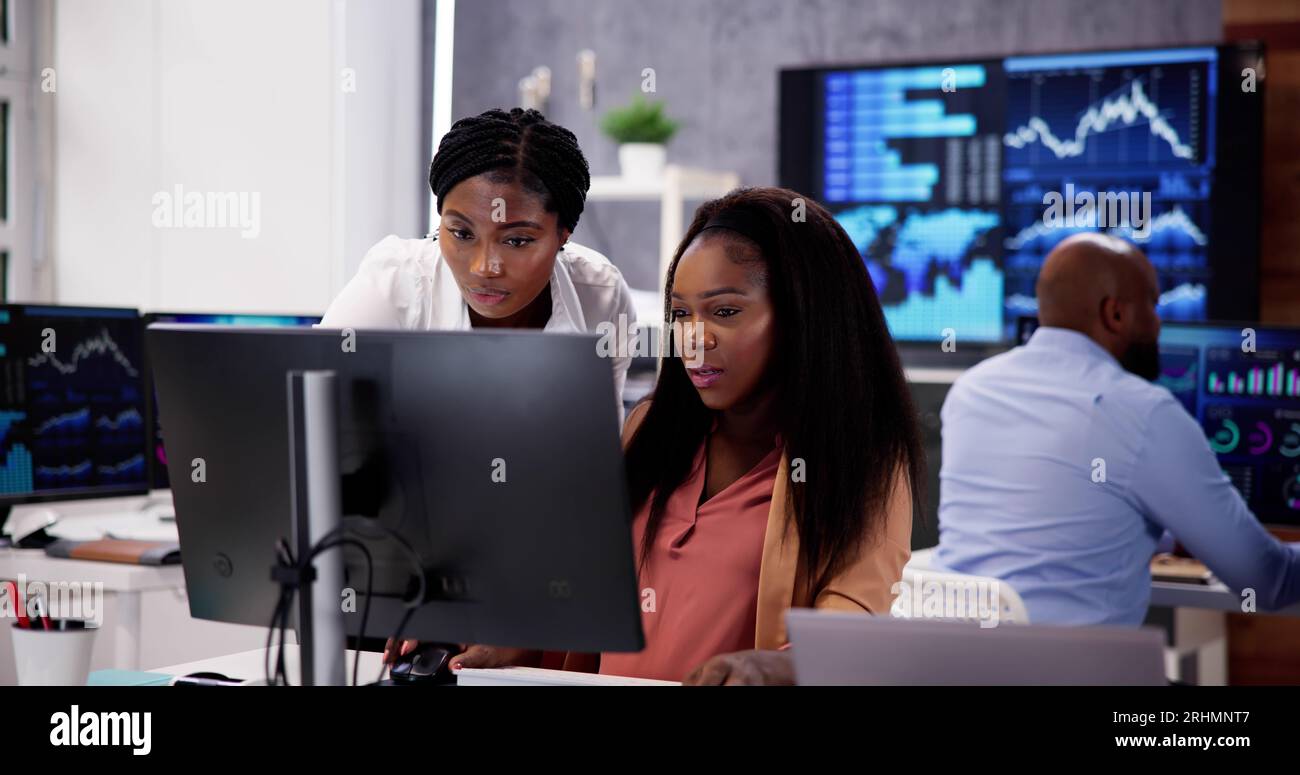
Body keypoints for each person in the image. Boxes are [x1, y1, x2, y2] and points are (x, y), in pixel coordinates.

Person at [455, 187, 921, 684]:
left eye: (724, 312)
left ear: (804, 318)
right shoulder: (650, 432)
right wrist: (500, 636)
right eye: (680, 314)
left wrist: (775, 666)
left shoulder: (864, 461)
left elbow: (853, 630)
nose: (694, 339)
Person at [933, 232, 1300, 625]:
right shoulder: (1142, 411)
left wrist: (1174, 535)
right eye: (1153, 305)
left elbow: (1053, 523)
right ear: (1116, 314)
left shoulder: (971, 390)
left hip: (960, 665)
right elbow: (1268, 580)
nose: (1159, 324)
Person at [321, 107, 636, 408]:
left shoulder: (601, 296)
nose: (484, 267)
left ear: (563, 235)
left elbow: (591, 449)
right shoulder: (394, 284)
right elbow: (309, 420)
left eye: (516, 240)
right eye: (461, 233)